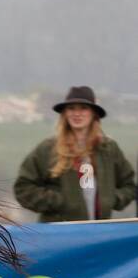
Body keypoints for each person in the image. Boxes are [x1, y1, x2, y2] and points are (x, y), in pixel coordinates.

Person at [13, 85, 134, 222]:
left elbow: (129, 185)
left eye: (83, 108)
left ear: (94, 113)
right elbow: (23, 188)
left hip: (99, 234)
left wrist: (111, 199)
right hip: (61, 236)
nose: (77, 113)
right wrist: (59, 201)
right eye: (71, 108)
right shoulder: (48, 148)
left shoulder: (108, 149)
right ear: (65, 114)